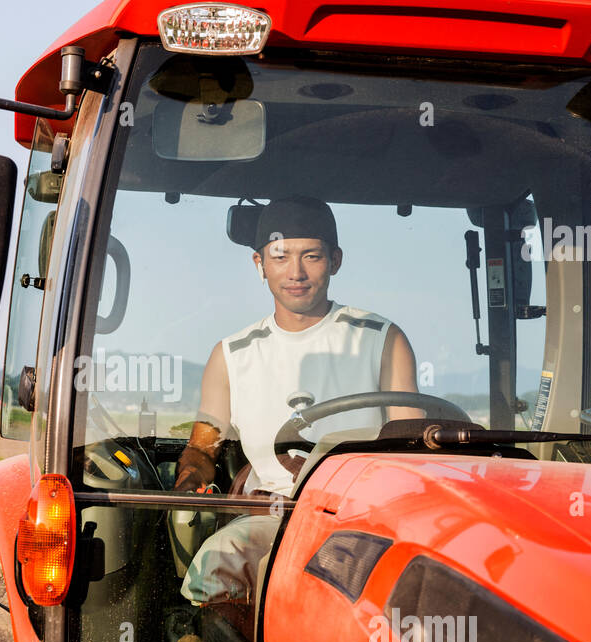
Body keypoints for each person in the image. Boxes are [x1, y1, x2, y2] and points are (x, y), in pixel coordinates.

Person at [173, 195, 420, 605]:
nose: (296, 272)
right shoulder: (232, 354)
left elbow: (409, 453)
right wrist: (191, 482)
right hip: (271, 515)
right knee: (214, 566)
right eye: (281, 257)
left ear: (335, 260)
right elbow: (202, 447)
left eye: (312, 256)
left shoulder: (382, 339)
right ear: (259, 264)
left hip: (360, 517)